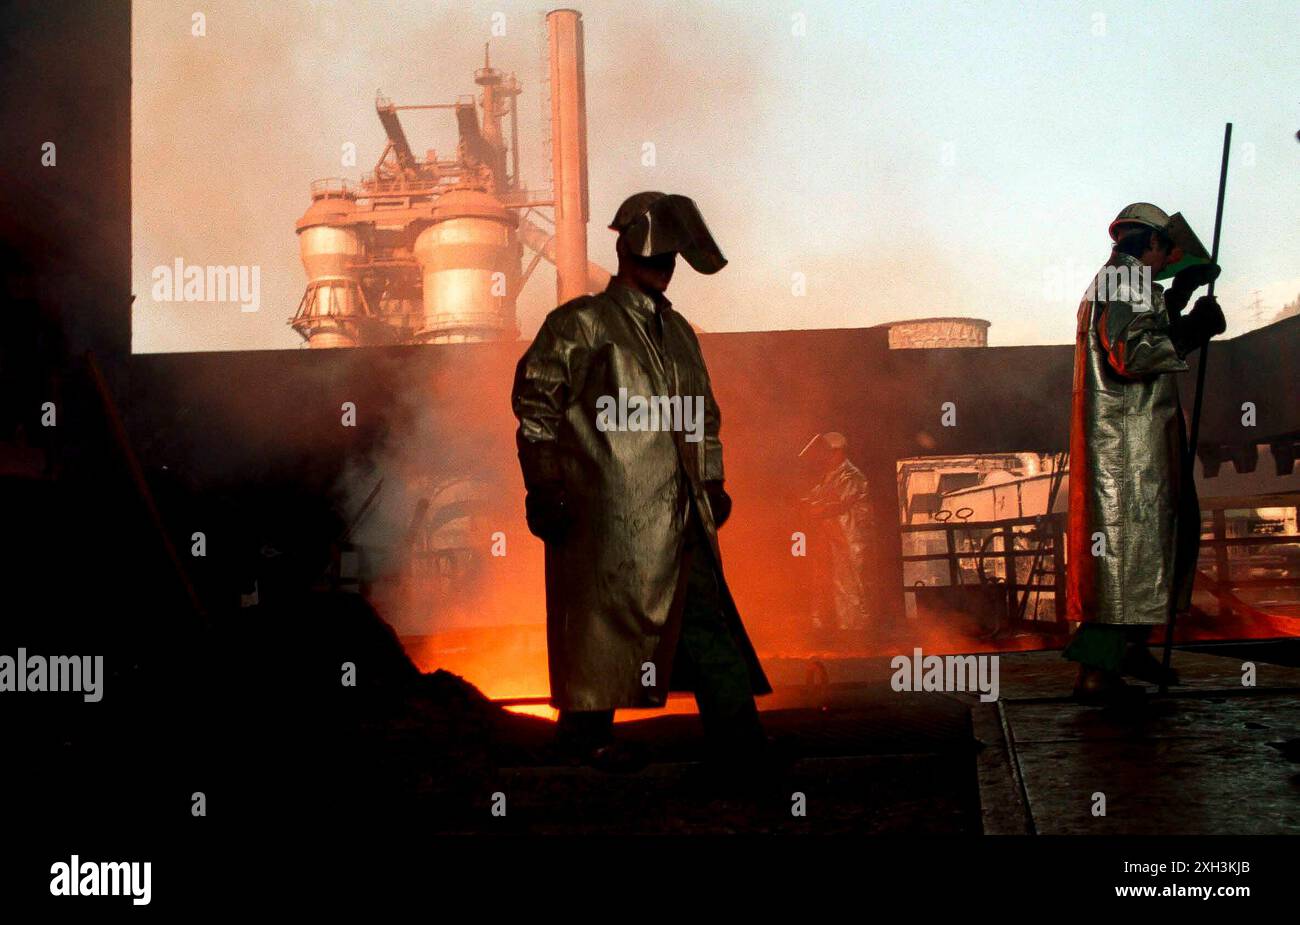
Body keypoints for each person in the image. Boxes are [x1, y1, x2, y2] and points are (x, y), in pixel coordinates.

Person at [511, 192, 773, 773]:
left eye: (673, 255)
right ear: (627, 249)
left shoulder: (679, 333)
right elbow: (536, 406)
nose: (666, 265)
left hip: (680, 515)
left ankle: (741, 750)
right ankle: (585, 737)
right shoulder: (580, 324)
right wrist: (546, 484)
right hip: (606, 516)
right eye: (659, 253)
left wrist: (710, 481)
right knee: (604, 630)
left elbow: (702, 415)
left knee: (702, 623)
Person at [1065, 202, 1225, 703]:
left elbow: (1140, 330)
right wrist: (1194, 330)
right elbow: (1133, 353)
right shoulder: (1124, 282)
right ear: (1151, 244)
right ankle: (1098, 670)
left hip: (1134, 442)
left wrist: (1177, 299)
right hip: (1126, 451)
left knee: (1149, 545)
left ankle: (1131, 649)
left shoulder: (1119, 281)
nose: (1166, 260)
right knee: (1126, 553)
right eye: (1165, 252)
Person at [799, 432, 873, 634]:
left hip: (851, 539)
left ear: (837, 452)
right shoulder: (831, 475)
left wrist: (814, 508)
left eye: (826, 453)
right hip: (836, 539)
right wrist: (807, 503)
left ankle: (857, 633)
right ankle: (845, 630)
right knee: (838, 584)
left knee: (852, 586)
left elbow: (838, 504)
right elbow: (815, 496)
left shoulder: (852, 476)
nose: (822, 457)